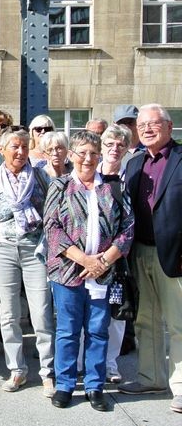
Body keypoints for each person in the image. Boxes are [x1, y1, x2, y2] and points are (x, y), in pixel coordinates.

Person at [43, 130, 134, 411]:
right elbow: (52, 228)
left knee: (97, 330)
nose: (88, 158)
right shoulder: (59, 186)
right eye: (82, 152)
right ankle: (66, 384)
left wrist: (103, 262)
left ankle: (95, 386)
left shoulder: (113, 187)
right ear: (71, 155)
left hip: (103, 272)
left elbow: (127, 229)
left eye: (93, 153)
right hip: (68, 272)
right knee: (68, 330)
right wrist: (84, 259)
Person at [0, 129, 55, 396]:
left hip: (35, 249)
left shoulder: (42, 178)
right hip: (3, 248)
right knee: (8, 313)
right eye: (14, 147)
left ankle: (47, 371)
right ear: (3, 150)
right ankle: (17, 369)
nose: (20, 152)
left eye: (24, 147)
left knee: (41, 311)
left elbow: (51, 217)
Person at [119, 104, 182, 414]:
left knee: (178, 323)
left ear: (169, 127)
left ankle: (180, 387)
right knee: (146, 321)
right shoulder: (134, 164)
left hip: (174, 255)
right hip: (139, 251)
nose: (146, 129)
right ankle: (151, 377)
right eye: (141, 125)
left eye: (153, 124)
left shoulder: (181, 160)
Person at [97, 124, 133, 382]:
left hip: (117, 258)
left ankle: (110, 363)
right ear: (101, 146)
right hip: (86, 259)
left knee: (116, 313)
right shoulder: (89, 176)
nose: (115, 149)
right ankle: (81, 362)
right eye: (110, 144)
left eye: (120, 145)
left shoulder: (128, 179)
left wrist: (110, 255)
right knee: (89, 311)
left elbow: (130, 223)